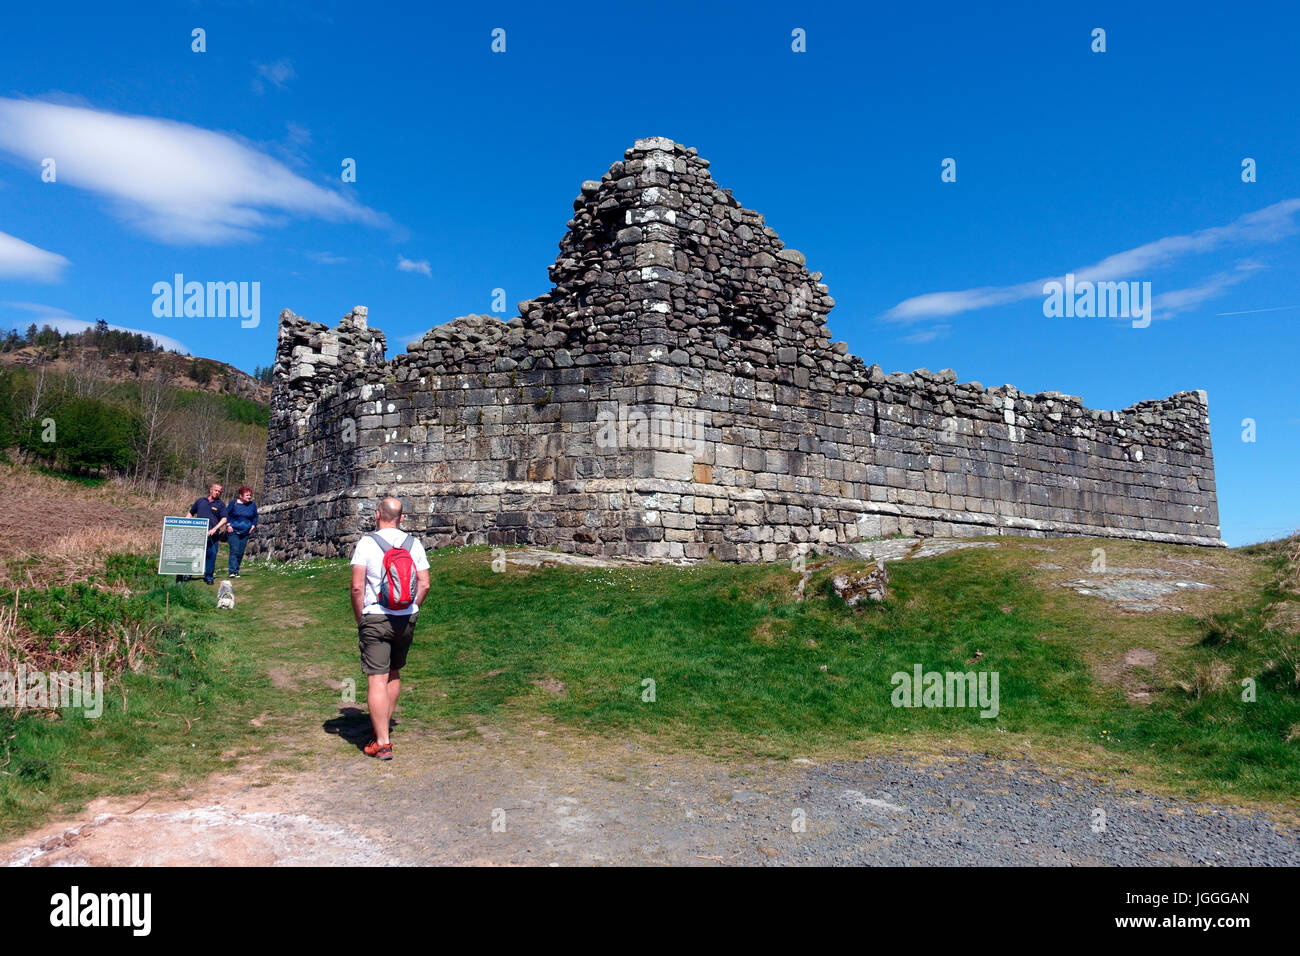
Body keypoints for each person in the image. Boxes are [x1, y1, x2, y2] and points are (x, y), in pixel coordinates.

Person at [348, 497, 430, 760]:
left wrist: (361, 618)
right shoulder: (413, 544)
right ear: (402, 518)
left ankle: (382, 742)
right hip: (405, 618)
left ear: (377, 515)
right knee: (393, 673)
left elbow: (357, 587)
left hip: (376, 616)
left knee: (377, 677)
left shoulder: (367, 543)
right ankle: (382, 730)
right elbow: (425, 584)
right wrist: (412, 608)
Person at [187, 482, 228, 585]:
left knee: (211, 555)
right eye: (216, 490)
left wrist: (215, 529)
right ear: (211, 490)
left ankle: (209, 576)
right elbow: (191, 513)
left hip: (212, 535)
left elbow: (224, 519)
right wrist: (186, 524)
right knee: (194, 554)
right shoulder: (201, 501)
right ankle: (188, 573)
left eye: (219, 491)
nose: (217, 492)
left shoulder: (221, 505)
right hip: (198, 533)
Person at [226, 485, 258, 577]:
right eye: (247, 495)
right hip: (233, 530)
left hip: (246, 531)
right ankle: (231, 571)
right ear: (241, 495)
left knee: (240, 552)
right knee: (234, 550)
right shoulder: (234, 503)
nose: (249, 497)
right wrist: (228, 525)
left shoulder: (252, 505)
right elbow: (226, 514)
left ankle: (236, 571)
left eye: (250, 495)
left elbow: (255, 516)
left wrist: (253, 525)